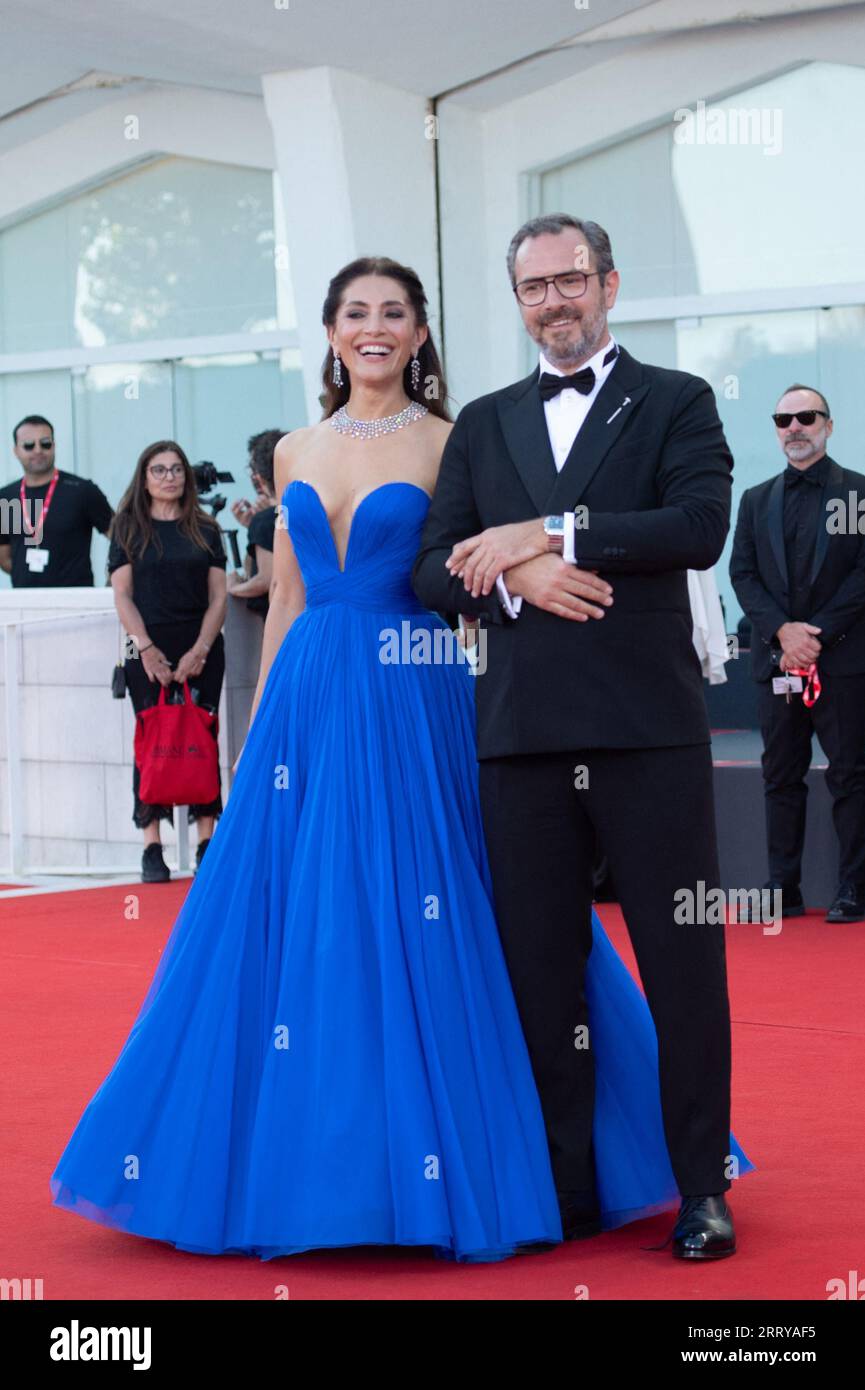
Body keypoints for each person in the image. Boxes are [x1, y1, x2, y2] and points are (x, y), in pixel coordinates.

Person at [50, 256, 750, 1263]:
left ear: (420, 334)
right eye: (354, 313)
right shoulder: (298, 445)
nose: (373, 328)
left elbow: (454, 568)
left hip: (415, 693)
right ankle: (336, 1168)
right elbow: (292, 593)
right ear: (329, 332)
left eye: (393, 313)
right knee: (318, 934)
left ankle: (637, 1175)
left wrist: (529, 552)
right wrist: (252, 743)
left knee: (466, 925)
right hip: (306, 705)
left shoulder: (454, 437)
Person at [413, 214, 741, 1259]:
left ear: (607, 283)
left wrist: (552, 531)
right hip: (519, 739)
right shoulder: (484, 419)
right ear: (515, 301)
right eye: (531, 288)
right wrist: (515, 573)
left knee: (683, 965)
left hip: (646, 733)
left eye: (568, 281)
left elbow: (696, 527)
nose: (551, 302)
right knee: (538, 976)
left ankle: (700, 1190)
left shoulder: (676, 400)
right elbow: (427, 570)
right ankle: (563, 1190)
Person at [730, 385, 865, 923]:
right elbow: (743, 573)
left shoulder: (858, 494)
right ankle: (781, 886)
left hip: (843, 664)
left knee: (850, 775)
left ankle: (854, 887)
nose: (794, 427)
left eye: (806, 417)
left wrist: (817, 635)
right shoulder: (755, 498)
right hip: (777, 664)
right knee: (779, 777)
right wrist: (783, 632)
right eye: (783, 419)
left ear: (828, 425)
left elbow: (863, 576)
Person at [108, 441, 228, 883]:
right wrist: (146, 647)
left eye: (176, 469)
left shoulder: (206, 528)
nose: (169, 477)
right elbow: (121, 594)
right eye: (158, 470)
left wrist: (200, 648)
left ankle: (205, 840)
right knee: (150, 740)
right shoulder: (127, 528)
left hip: (202, 646)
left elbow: (219, 596)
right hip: (144, 647)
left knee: (202, 735)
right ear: (144, 478)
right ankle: (152, 847)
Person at [0, 415, 113, 586]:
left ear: (54, 445)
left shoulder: (82, 490)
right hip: (24, 603)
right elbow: (4, 557)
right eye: (29, 445)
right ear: (16, 450)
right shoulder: (6, 497)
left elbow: (125, 539)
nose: (38, 450)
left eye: (45, 443)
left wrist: (114, 582)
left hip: (77, 601)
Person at [227, 429, 282, 618]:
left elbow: (265, 580)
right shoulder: (309, 509)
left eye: (254, 467)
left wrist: (235, 588)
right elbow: (255, 570)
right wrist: (252, 527)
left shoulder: (268, 519)